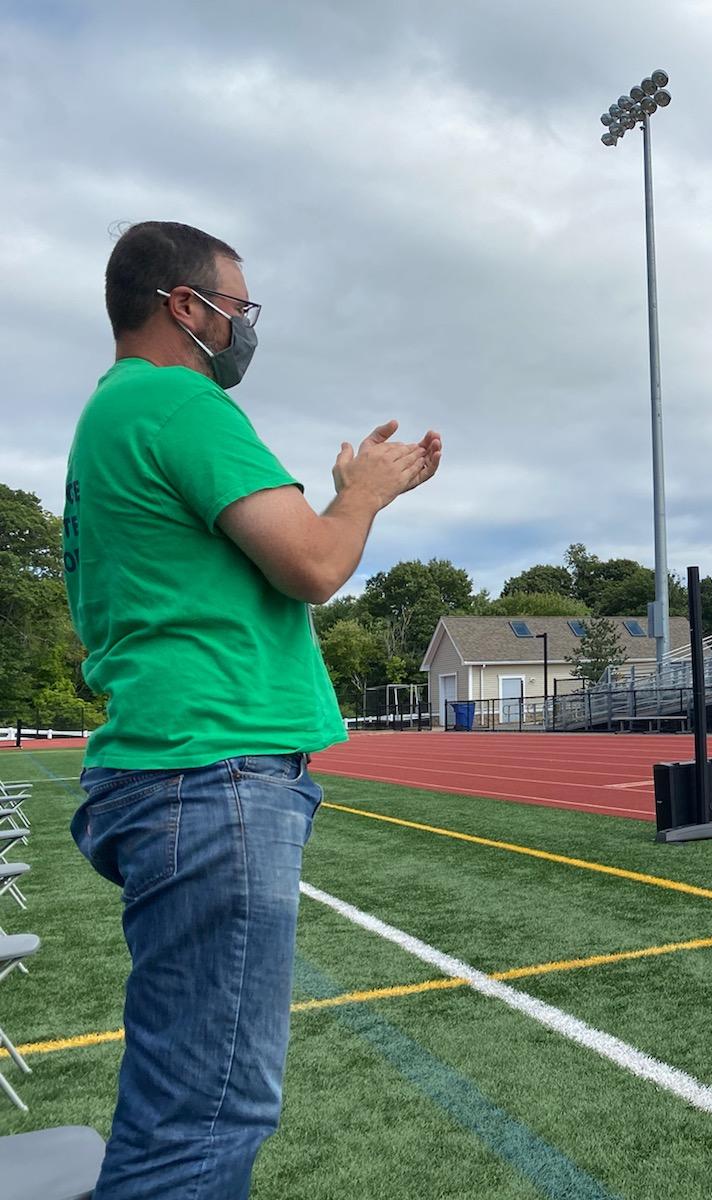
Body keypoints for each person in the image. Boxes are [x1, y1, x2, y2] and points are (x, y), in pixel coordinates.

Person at [62, 221, 442, 1198]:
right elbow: (313, 563)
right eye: (239, 306)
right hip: (212, 773)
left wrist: (349, 495)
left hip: (170, 767)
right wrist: (362, 496)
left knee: (183, 1108)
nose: (245, 327)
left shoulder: (112, 414)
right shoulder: (179, 402)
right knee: (203, 1123)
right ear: (185, 307)